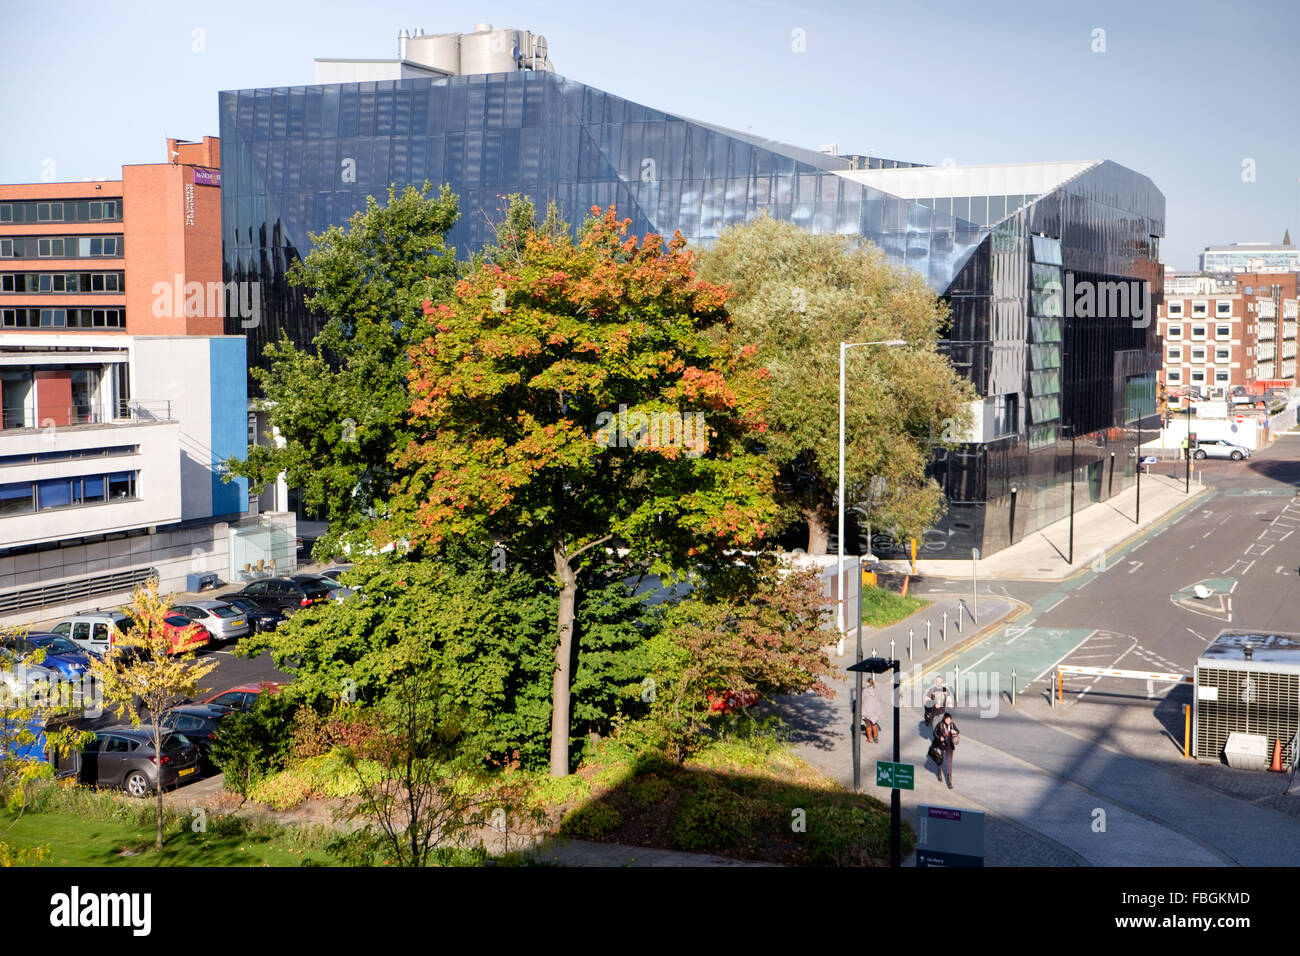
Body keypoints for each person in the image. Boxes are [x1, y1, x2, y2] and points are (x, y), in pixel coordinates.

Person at [931, 712, 960, 789]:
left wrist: (955, 732)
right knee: (940, 759)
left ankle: (949, 782)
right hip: (941, 745)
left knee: (949, 763)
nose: (948, 721)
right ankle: (939, 772)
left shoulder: (952, 724)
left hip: (949, 745)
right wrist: (940, 737)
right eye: (947, 719)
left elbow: (958, 731)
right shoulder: (940, 724)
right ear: (944, 719)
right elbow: (934, 733)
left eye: (949, 719)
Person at [861, 676, 883, 744]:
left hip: (867, 709)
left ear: (867, 683)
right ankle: (876, 737)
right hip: (875, 709)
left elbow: (862, 700)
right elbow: (879, 699)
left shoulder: (865, 691)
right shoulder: (876, 690)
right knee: (874, 723)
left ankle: (870, 738)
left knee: (868, 724)